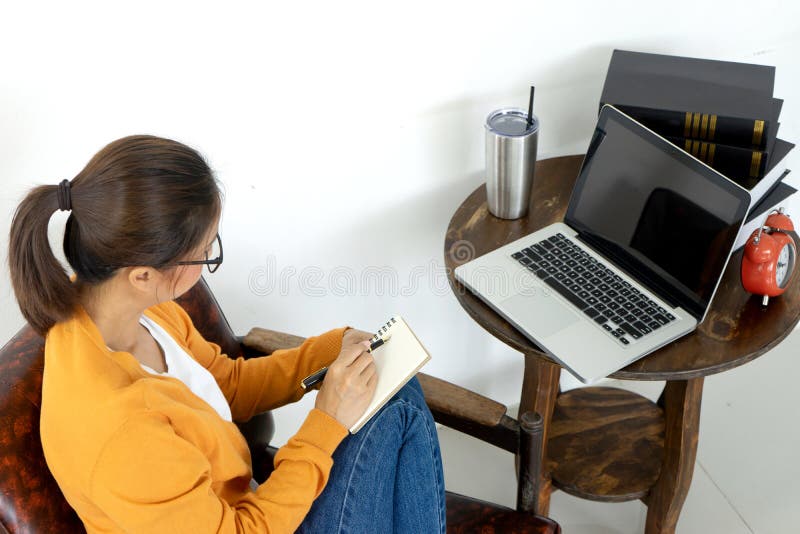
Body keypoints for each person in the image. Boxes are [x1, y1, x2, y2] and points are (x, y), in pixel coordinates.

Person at [7, 135, 446, 533]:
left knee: (391, 383)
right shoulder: (121, 434)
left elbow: (225, 384)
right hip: (248, 525)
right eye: (203, 253)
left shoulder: (135, 307)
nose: (207, 261)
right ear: (142, 275)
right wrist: (327, 422)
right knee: (400, 408)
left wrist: (329, 351)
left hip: (251, 505)